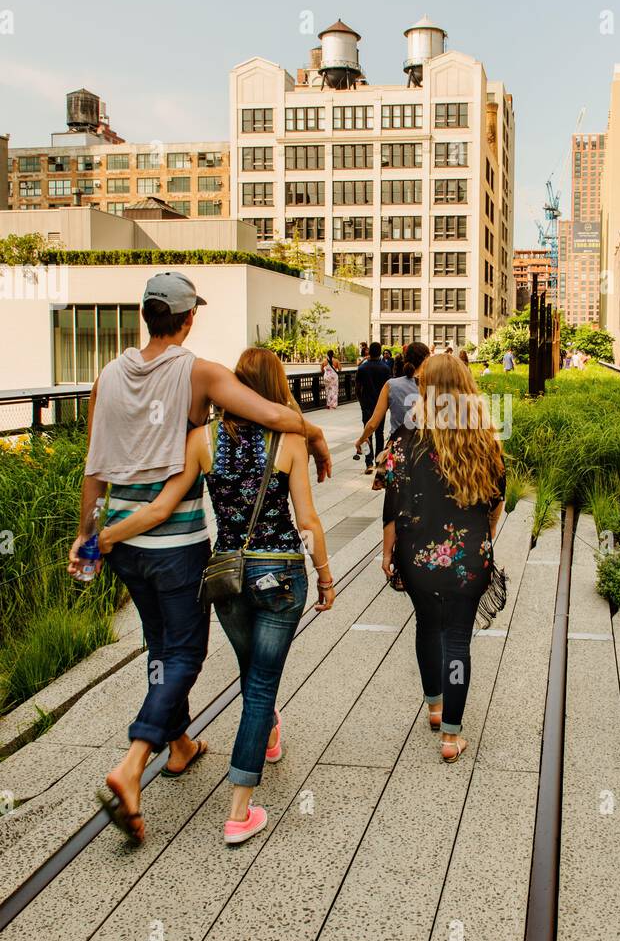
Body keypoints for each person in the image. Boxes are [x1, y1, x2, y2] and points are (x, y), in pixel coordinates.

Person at [67, 270, 332, 846]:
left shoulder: (107, 376)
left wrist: (88, 537)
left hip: (121, 540)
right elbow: (275, 415)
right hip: (175, 540)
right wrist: (313, 434)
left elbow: (93, 466)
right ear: (188, 319)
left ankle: (180, 743)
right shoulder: (199, 372)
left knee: (159, 644)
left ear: (144, 316)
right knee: (185, 650)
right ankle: (133, 764)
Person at [380, 354, 505, 762]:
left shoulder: (406, 435)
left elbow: (393, 499)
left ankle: (434, 707)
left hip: (417, 554)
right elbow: (497, 498)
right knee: (457, 639)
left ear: (425, 388)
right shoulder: (484, 433)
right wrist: (483, 536)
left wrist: (388, 551)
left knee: (426, 628)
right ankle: (451, 736)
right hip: (469, 555)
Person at [355, 341, 430, 455]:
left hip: (399, 448)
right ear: (427, 359)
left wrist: (361, 439)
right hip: (426, 448)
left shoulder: (391, 385)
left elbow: (373, 424)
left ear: (406, 359)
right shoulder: (435, 384)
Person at [355, 342, 392, 475]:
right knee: (380, 433)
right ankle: (378, 461)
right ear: (380, 352)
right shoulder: (385, 368)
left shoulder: (362, 368)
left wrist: (361, 402)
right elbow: (389, 388)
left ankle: (368, 462)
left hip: (367, 404)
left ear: (369, 351)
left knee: (367, 433)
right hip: (380, 405)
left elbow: (358, 389)